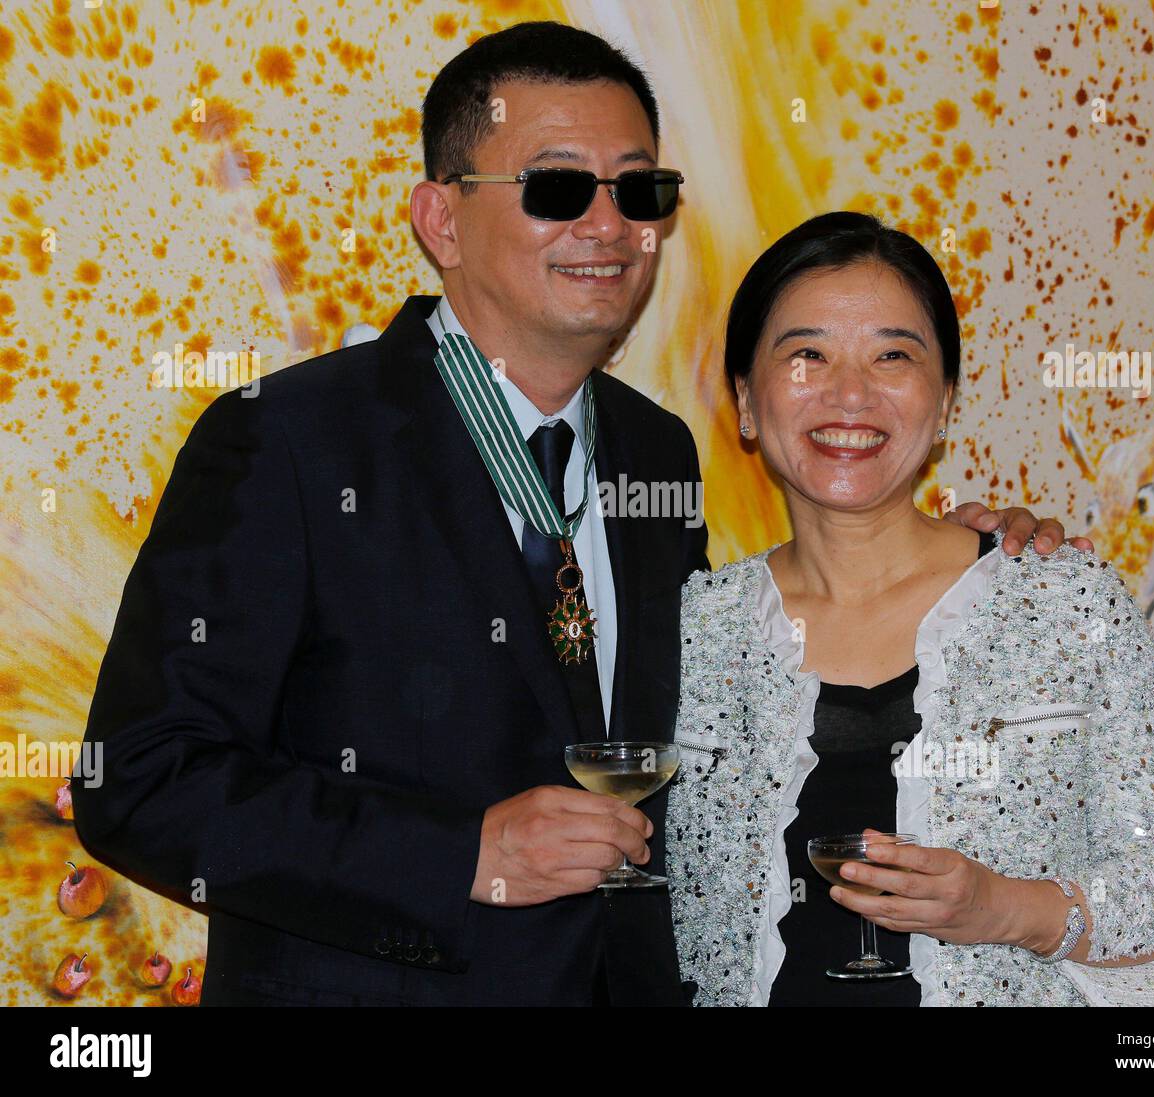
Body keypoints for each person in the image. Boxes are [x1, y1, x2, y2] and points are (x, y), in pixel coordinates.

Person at [73, 24, 1079, 1007]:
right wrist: (459, 853)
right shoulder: (288, 440)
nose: (608, 226)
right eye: (557, 188)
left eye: (638, 190)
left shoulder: (655, 450)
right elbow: (144, 780)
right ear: (442, 218)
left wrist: (963, 558)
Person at [666, 211, 1154, 1006]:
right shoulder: (692, 632)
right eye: (807, 354)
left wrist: (1004, 906)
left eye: (893, 354)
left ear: (945, 402)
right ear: (747, 403)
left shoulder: (1065, 600)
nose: (850, 392)